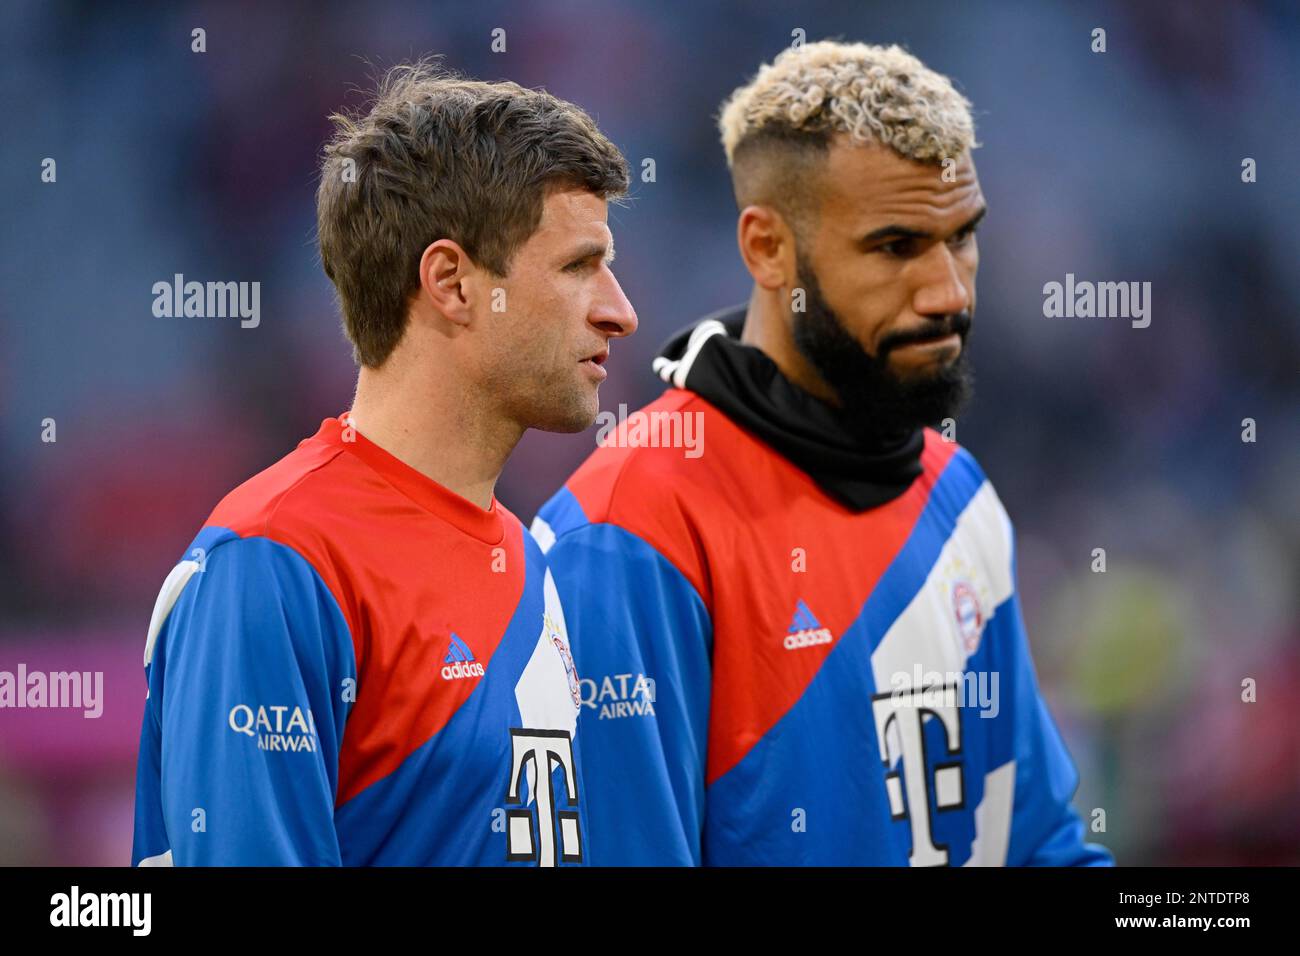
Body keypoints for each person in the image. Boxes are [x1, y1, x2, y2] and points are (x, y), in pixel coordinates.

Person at [534, 40, 1113, 866]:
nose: (949, 291)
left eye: (963, 237)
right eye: (896, 247)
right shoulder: (629, 533)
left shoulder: (959, 495)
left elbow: (1040, 844)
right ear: (768, 249)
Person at [131, 61, 637, 866]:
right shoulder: (273, 565)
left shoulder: (530, 561)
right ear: (452, 283)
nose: (622, 310)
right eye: (580, 266)